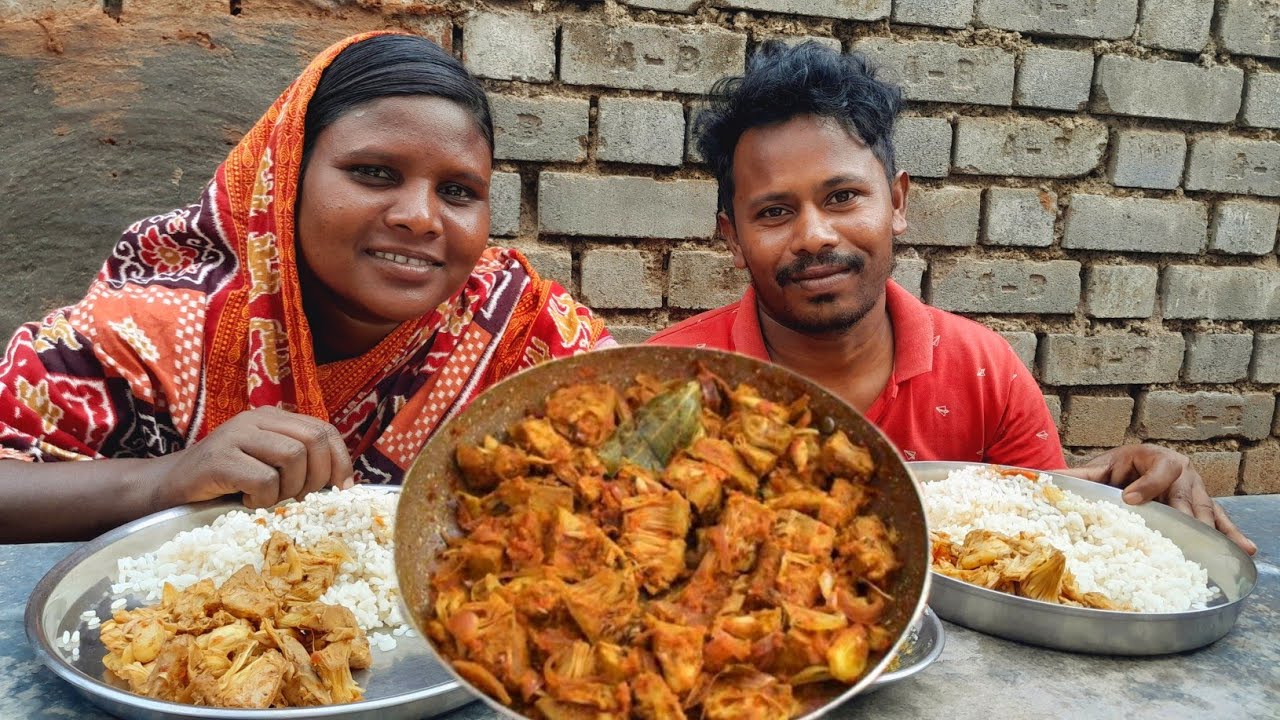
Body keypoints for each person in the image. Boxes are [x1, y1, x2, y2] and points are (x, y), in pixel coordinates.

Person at [0, 32, 611, 543]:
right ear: (286, 178)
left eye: (458, 191)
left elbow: (644, 439)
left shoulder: (514, 325)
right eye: (374, 173)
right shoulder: (150, 334)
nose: (421, 218)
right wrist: (165, 481)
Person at [648, 41, 1255, 554]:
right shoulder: (666, 379)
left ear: (897, 202)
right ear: (733, 237)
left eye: (842, 197)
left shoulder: (983, 370)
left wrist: (1120, 496)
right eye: (775, 212)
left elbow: (1043, 535)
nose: (815, 236)